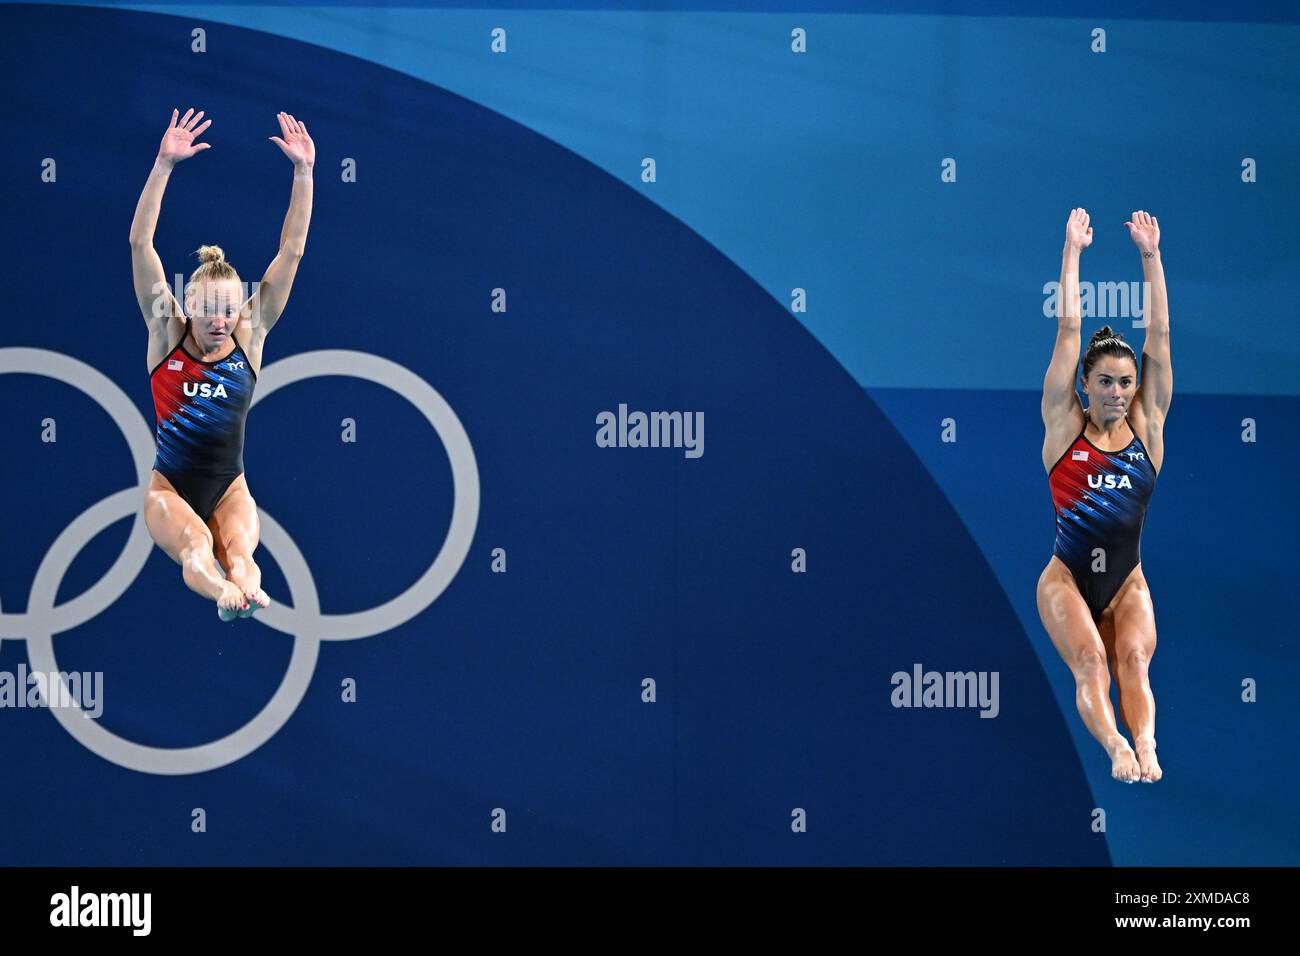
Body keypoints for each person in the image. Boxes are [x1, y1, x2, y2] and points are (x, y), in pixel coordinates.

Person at [129, 108, 314, 620]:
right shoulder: (166, 330)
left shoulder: (249, 336)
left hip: (230, 484)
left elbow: (292, 252)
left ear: (240, 309)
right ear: (189, 304)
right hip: (169, 488)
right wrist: (164, 164)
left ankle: (246, 594)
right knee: (195, 547)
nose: (219, 321)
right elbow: (140, 245)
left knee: (241, 554)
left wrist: (304, 173)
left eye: (229, 311)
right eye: (208, 310)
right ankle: (222, 597)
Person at [1037, 207, 1172, 783]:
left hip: (1127, 579)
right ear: (1084, 387)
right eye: (1105, 383)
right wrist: (1073, 253)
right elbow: (1070, 330)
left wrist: (1151, 255)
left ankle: (1146, 744)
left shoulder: (1149, 429)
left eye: (1125, 382)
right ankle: (1116, 747)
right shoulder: (1064, 427)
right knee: (1092, 663)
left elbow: (1159, 336)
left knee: (1134, 663)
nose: (1118, 392)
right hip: (1066, 577)